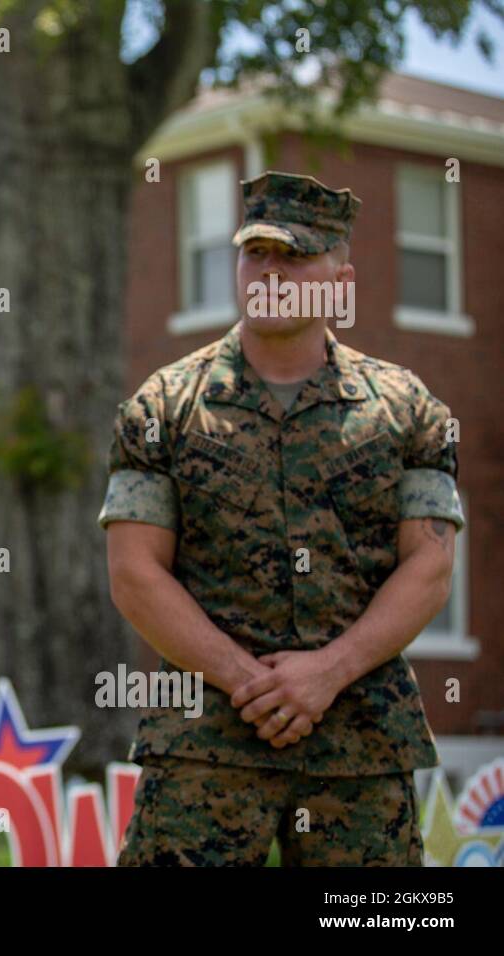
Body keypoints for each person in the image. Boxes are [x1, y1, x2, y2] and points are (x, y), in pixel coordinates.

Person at [100, 171, 463, 866]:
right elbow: (135, 574)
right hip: (204, 746)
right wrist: (249, 682)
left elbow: (430, 565)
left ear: (340, 277)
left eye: (294, 256)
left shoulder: (409, 410)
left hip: (358, 745)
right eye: (255, 252)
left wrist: (328, 672)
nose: (270, 271)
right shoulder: (165, 406)